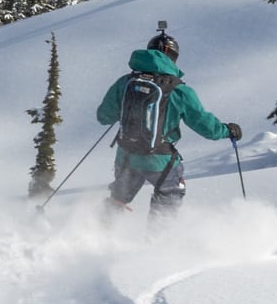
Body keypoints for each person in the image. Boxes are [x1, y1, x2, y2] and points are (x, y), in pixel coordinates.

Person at [94, 22, 241, 223]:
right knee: (169, 195)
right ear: (173, 58)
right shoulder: (179, 90)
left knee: (118, 198)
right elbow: (205, 126)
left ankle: (96, 234)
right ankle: (156, 244)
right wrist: (227, 131)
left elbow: (103, 116)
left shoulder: (125, 83)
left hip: (126, 156)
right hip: (160, 159)